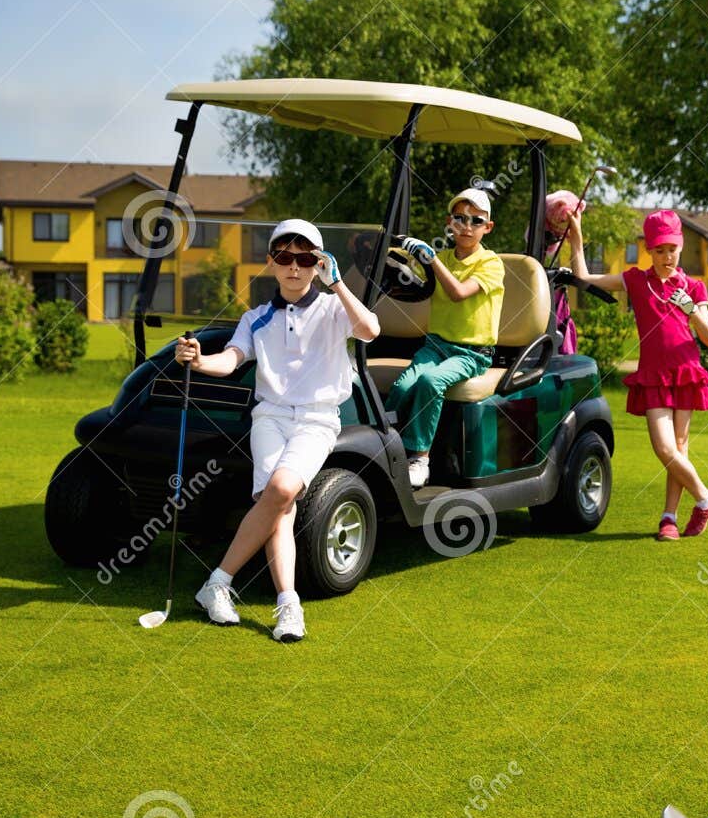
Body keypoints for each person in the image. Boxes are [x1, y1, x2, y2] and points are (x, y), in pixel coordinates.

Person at [174, 218, 380, 642]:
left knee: (283, 490)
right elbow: (231, 360)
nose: (294, 267)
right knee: (280, 509)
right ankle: (288, 604)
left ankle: (218, 580)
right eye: (285, 258)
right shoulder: (256, 317)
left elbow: (370, 330)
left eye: (306, 259)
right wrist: (197, 361)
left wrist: (337, 283)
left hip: (318, 420)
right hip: (269, 418)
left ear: (318, 264)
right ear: (272, 262)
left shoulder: (333, 307)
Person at [565, 208, 708, 540]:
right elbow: (583, 278)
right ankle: (706, 498)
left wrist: (690, 309)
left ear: (680, 248)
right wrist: (577, 235)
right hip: (653, 374)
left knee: (679, 447)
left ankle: (669, 518)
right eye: (660, 249)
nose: (667, 256)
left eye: (673, 249)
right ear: (649, 249)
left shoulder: (693, 287)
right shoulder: (636, 280)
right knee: (665, 448)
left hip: (686, 371)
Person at [388, 188, 505, 489]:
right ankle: (387, 448)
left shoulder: (490, 263)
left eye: (476, 220)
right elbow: (417, 283)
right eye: (460, 218)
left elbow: (457, 293)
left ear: (487, 227)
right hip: (436, 346)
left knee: (431, 382)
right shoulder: (440, 258)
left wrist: (430, 259)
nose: (467, 226)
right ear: (450, 222)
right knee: (402, 386)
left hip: (472, 353)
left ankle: (420, 458)